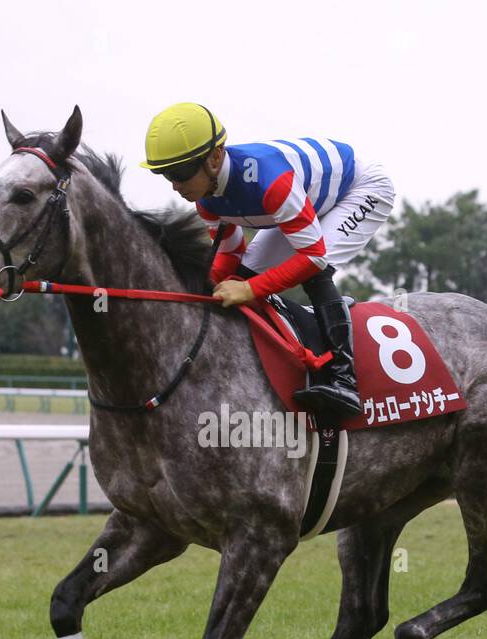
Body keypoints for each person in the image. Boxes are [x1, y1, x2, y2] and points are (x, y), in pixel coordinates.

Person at [140, 102, 396, 418]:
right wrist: (208, 288)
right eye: (166, 175)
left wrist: (248, 290)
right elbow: (230, 256)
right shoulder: (206, 200)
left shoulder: (270, 182)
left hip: (359, 189)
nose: (175, 185)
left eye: (180, 173)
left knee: (313, 273)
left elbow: (312, 258)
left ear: (215, 157)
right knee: (242, 277)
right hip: (308, 199)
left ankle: (344, 380)